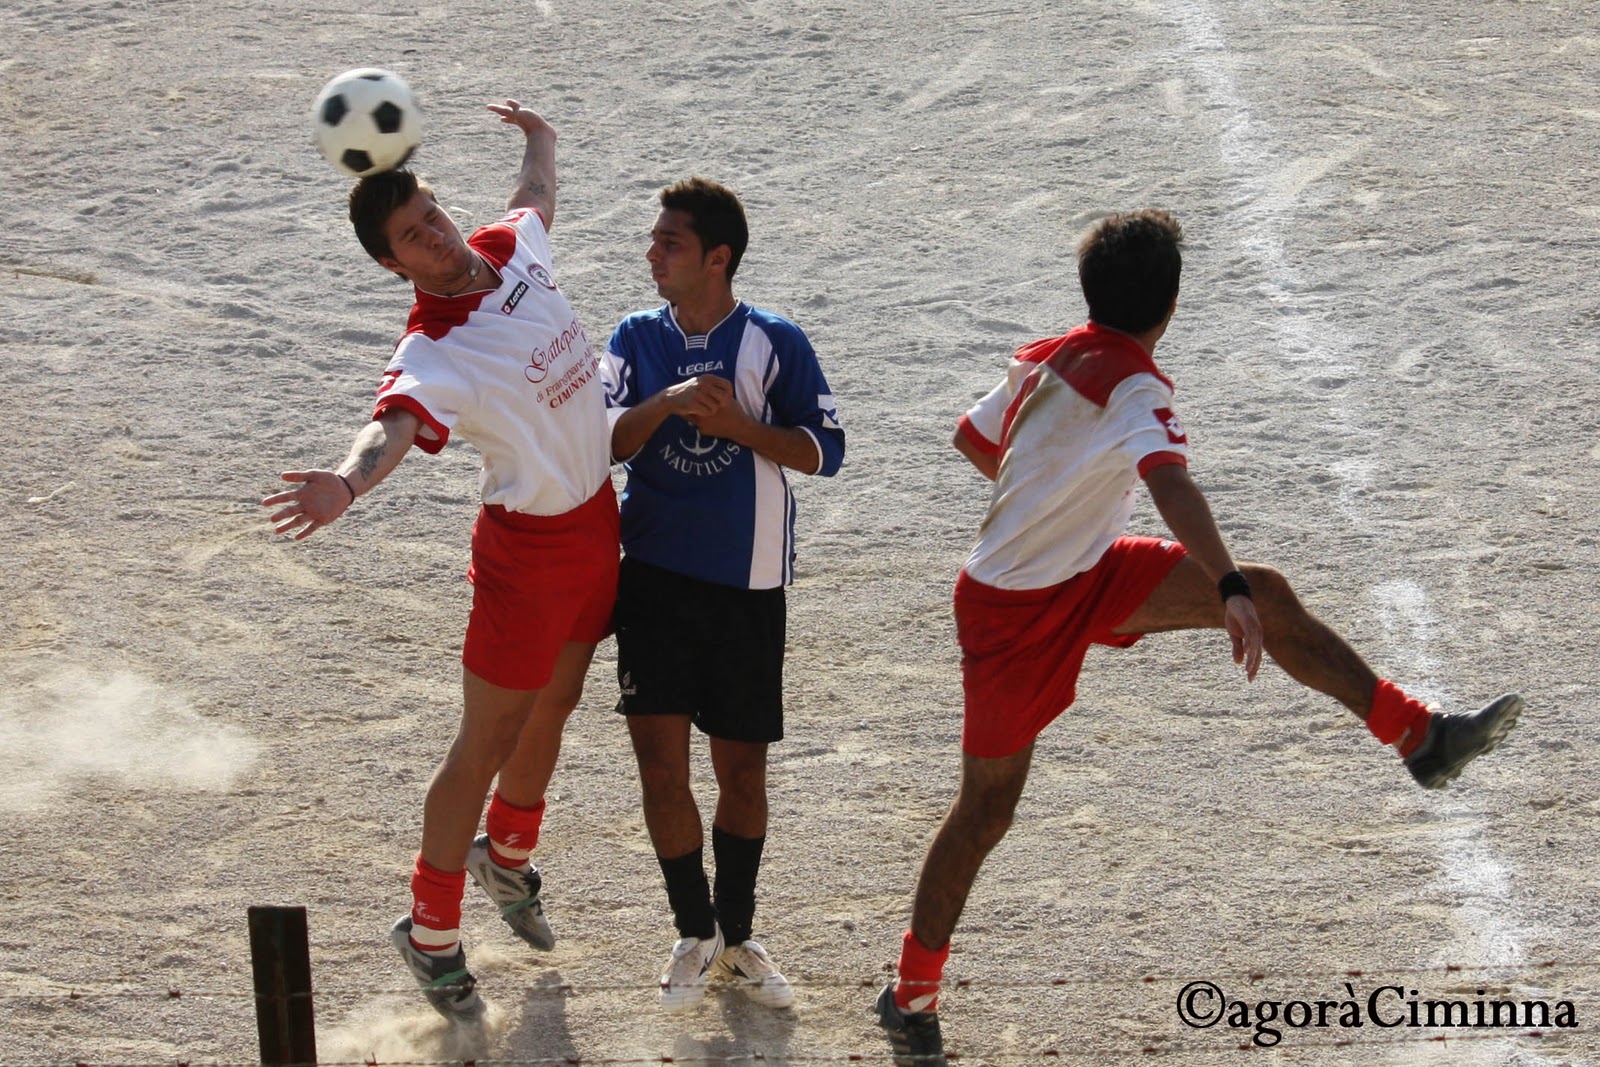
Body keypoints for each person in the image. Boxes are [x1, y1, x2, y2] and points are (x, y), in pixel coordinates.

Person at [873, 209, 1524, 1065]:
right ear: (1170, 305)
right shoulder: (1136, 384)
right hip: (1013, 612)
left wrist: (1053, 494)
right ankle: (910, 992)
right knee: (987, 808)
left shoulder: (1048, 355)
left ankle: (1419, 735)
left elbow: (972, 437)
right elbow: (1169, 484)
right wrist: (1220, 584)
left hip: (1087, 571)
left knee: (1275, 594)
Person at [261, 100, 617, 1020]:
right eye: (414, 238)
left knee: (561, 699)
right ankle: (428, 931)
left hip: (595, 525)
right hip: (529, 553)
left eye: (434, 214)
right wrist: (345, 484)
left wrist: (543, 137)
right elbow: (394, 423)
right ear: (392, 266)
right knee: (486, 736)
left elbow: (535, 196)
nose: (437, 237)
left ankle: (508, 852)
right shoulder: (434, 347)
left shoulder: (511, 246)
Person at [599, 177, 845, 1013]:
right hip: (655, 579)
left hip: (748, 585)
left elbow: (824, 450)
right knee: (659, 764)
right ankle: (693, 929)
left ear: (717, 257)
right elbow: (601, 443)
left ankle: (737, 939)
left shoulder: (775, 340)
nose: (652, 253)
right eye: (654, 238)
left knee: (741, 769)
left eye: (669, 241)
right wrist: (666, 403)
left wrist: (739, 426)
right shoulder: (633, 339)